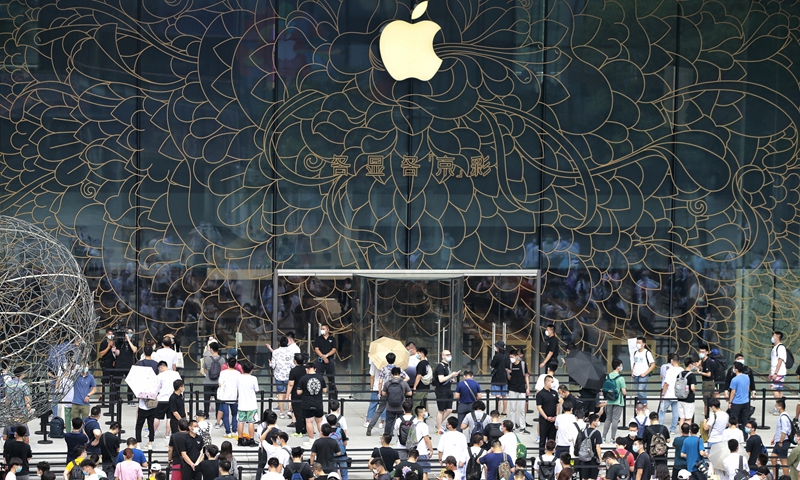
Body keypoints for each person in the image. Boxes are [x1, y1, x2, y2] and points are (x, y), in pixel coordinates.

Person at [298, 362, 328, 446]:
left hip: (307, 403)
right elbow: (325, 390)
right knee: (319, 422)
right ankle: (323, 439)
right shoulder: (320, 377)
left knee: (309, 422)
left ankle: (311, 440)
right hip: (318, 403)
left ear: (306, 369)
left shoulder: (303, 378)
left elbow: (298, 392)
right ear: (315, 369)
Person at [380, 367, 412, 438]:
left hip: (390, 407)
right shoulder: (404, 383)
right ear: (400, 374)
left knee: (389, 422)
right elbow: (410, 393)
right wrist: (403, 393)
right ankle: (402, 436)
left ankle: (387, 437)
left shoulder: (387, 383)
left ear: (392, 374)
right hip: (401, 407)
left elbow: (383, 393)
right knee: (402, 422)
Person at [267, 336, 295, 419]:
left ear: (279, 343)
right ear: (287, 343)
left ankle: (282, 413)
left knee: (280, 394)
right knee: (289, 394)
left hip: (278, 375)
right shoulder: (291, 351)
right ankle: (290, 410)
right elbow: (292, 365)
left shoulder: (275, 352)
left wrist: (270, 363)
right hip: (289, 375)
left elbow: (273, 365)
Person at [434, 350, 460, 435]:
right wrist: (451, 375)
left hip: (448, 389)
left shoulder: (447, 365)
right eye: (447, 355)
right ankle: (439, 427)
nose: (449, 356)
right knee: (441, 410)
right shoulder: (440, 366)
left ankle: (439, 424)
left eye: (450, 354)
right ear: (443, 356)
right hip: (441, 390)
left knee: (449, 409)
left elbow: (445, 377)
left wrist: (451, 378)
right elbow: (441, 379)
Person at [154, 361, 181, 438]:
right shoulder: (176, 374)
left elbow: (156, 387)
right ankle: (167, 434)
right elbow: (180, 384)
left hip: (162, 399)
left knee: (157, 417)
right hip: (173, 398)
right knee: (169, 418)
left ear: (161, 367)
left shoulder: (159, 376)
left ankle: (152, 433)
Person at [603, 359, 627, 443]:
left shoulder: (608, 376)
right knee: (615, 420)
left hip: (609, 400)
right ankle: (612, 438)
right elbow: (624, 392)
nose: (621, 367)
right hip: (618, 401)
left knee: (608, 419)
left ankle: (603, 437)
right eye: (621, 366)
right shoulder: (621, 378)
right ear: (618, 367)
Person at [236, 360, 259, 446]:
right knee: (251, 422)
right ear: (251, 370)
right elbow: (256, 390)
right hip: (251, 404)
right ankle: (251, 440)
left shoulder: (239, 378)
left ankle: (240, 440)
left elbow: (237, 388)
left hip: (241, 404)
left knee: (240, 422)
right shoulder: (253, 378)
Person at [217, 357, 240, 439]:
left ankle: (228, 432)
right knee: (234, 414)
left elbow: (219, 383)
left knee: (226, 415)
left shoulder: (223, 373)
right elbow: (239, 386)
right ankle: (234, 431)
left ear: (227, 364)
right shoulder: (238, 373)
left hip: (224, 397)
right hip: (234, 397)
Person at [507, 349, 530, 434]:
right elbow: (509, 377)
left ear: (517, 356)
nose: (511, 359)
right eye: (510, 357)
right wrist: (508, 373)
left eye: (512, 357)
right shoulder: (510, 365)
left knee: (522, 409)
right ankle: (512, 427)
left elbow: (526, 376)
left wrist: (528, 387)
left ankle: (522, 427)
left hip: (521, 389)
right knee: (512, 409)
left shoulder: (523, 364)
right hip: (512, 388)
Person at [200, 342, 225, 418]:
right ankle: (218, 415)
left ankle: (206, 414)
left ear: (211, 349)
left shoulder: (207, 359)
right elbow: (223, 371)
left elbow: (204, 370)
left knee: (206, 400)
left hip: (208, 382)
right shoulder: (222, 359)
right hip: (218, 383)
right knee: (218, 400)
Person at [658, 354, 681, 434]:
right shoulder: (682, 370)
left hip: (668, 394)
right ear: (679, 361)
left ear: (671, 361)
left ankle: (660, 428)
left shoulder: (670, 370)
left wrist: (662, 394)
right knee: (675, 413)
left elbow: (666, 383)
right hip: (678, 395)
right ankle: (673, 429)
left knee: (662, 411)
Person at [575, 414, 602, 480]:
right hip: (594, 459)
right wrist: (600, 460)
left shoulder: (583, 432)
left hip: (584, 458)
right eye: (597, 421)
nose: (598, 422)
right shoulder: (597, 433)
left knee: (584, 477)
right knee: (593, 477)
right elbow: (597, 447)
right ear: (594, 422)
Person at [287, 353, 308, 437]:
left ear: (295, 361)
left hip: (296, 394)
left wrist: (287, 395)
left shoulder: (293, 371)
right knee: (305, 412)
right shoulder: (306, 370)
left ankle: (299, 430)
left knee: (298, 413)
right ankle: (306, 428)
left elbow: (290, 384)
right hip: (306, 393)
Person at [536, 375, 559, 453]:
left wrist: (556, 416)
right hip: (544, 420)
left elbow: (557, 405)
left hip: (553, 420)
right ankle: (541, 455)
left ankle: (551, 454)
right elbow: (539, 407)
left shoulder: (554, 393)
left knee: (552, 440)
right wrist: (546, 417)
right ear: (546, 382)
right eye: (551, 382)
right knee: (542, 439)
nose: (552, 383)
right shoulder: (540, 394)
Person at [728, 362, 751, 438]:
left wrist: (730, 402)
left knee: (734, 420)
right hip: (746, 401)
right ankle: (744, 436)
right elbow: (748, 388)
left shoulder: (734, 379)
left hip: (736, 402)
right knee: (744, 420)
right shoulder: (747, 377)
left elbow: (733, 392)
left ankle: (734, 436)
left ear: (736, 369)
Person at [631, 338, 655, 406]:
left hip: (643, 375)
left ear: (644, 344)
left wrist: (645, 373)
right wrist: (632, 371)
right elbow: (634, 363)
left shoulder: (647, 353)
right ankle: (641, 406)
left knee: (641, 390)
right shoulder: (635, 352)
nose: (637, 344)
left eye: (639, 342)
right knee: (637, 391)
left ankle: (645, 405)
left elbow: (653, 364)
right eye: (637, 342)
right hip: (636, 374)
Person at [411, 406, 434, 475]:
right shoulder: (423, 425)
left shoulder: (414, 423)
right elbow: (427, 439)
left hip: (413, 451)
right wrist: (431, 450)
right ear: (420, 414)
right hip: (422, 452)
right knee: (424, 472)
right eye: (424, 411)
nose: (426, 412)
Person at [676, 357, 698, 431]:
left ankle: (681, 433)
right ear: (690, 365)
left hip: (680, 398)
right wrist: (694, 391)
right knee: (688, 419)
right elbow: (692, 387)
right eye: (693, 364)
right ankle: (686, 433)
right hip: (689, 400)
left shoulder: (679, 374)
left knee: (682, 418)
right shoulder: (691, 375)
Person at [314, 324, 337, 391]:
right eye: (321, 329)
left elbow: (334, 350)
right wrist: (323, 357)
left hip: (330, 359)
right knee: (318, 376)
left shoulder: (332, 339)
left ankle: (332, 393)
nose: (322, 330)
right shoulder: (318, 339)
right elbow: (316, 349)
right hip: (320, 360)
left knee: (331, 377)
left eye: (323, 329)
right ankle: (318, 391)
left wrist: (326, 356)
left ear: (328, 330)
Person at [770, 332, 788, 412]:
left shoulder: (780, 347)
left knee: (773, 388)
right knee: (779, 390)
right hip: (776, 372)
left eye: (773, 336)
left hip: (779, 373)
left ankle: (779, 406)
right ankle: (779, 407)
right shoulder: (775, 347)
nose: (772, 337)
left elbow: (780, 360)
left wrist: (775, 373)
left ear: (777, 337)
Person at [773, 399, 792, 476]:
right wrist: (774, 438)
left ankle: (786, 477)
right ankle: (775, 476)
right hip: (779, 440)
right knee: (773, 457)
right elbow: (779, 429)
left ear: (780, 407)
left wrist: (781, 441)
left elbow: (784, 431)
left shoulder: (783, 417)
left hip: (783, 441)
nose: (775, 407)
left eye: (776, 405)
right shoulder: (782, 416)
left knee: (783, 460)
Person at [490, 342, 510, 416]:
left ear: (498, 347)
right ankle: (504, 411)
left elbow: (492, 365)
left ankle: (497, 411)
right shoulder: (507, 355)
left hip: (497, 377)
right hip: (504, 378)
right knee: (504, 396)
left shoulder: (497, 355)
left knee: (498, 396)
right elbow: (508, 365)